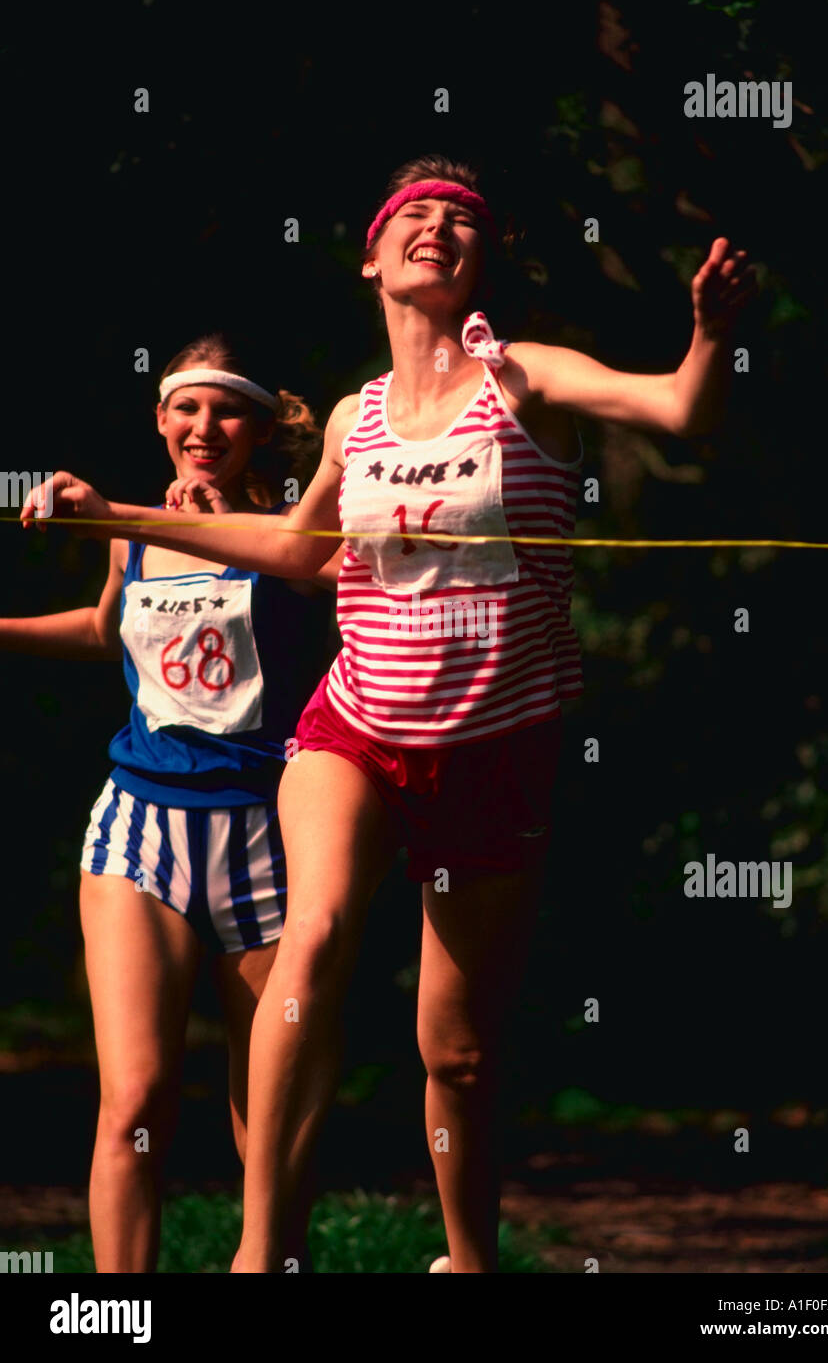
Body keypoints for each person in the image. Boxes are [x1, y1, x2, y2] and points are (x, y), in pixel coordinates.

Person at [23, 155, 756, 1272]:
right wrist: (109, 515)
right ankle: (261, 1255)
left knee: (454, 1053)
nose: (437, 226)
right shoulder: (355, 422)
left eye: (461, 219)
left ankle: (467, 1257)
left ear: (481, 263)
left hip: (495, 746)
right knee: (309, 938)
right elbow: (297, 551)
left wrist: (707, 333)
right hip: (354, 728)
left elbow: (679, 408)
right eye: (414, 214)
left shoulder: (523, 378)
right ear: (373, 258)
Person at [8, 333, 339, 1271]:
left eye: (226, 409)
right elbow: (104, 631)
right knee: (136, 1101)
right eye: (185, 409)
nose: (204, 427)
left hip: (270, 836)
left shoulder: (287, 531)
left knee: (262, 1121)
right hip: (139, 830)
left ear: (261, 428)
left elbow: (320, 578)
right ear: (161, 421)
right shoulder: (130, 529)